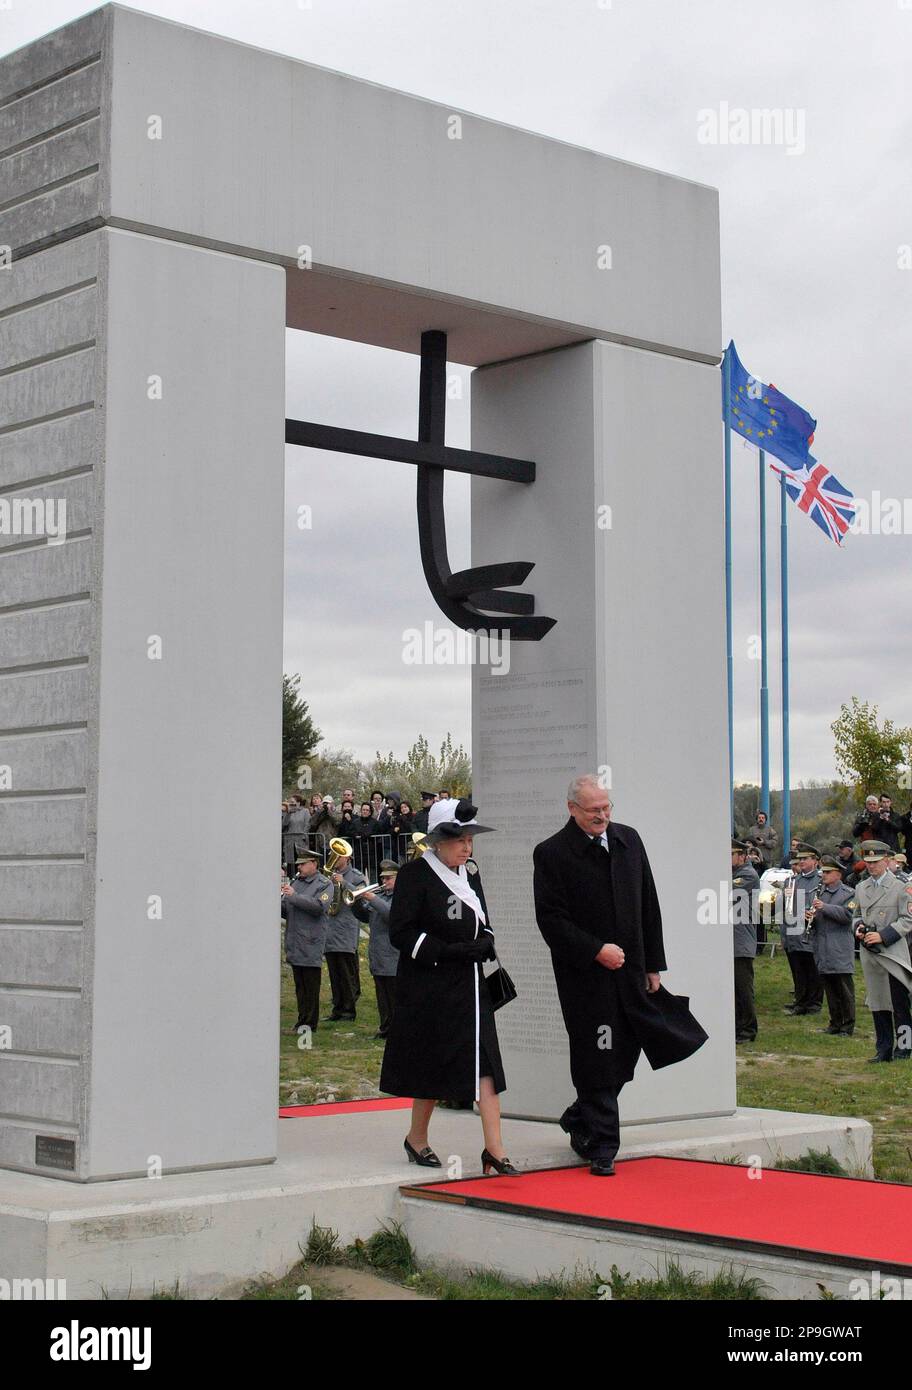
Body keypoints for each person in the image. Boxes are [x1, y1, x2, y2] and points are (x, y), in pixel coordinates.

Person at [533, 774, 707, 1178]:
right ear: (572, 809)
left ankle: (581, 1117)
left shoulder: (629, 840)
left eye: (607, 807)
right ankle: (603, 1146)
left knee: (627, 1048)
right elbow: (551, 920)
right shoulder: (552, 853)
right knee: (598, 1054)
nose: (603, 816)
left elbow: (649, 903)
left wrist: (652, 965)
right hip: (586, 978)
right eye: (594, 810)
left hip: (631, 970)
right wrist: (596, 950)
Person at [379, 798, 516, 1176]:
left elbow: (483, 917)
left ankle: (495, 1149)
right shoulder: (414, 875)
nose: (466, 845)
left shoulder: (470, 872)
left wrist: (485, 940)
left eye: (469, 838)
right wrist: (446, 951)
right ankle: (417, 1138)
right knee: (432, 1063)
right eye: (459, 838)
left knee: (487, 1065)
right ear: (437, 840)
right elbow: (402, 933)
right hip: (431, 985)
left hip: (473, 988)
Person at [851, 841, 912, 1063]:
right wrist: (858, 928)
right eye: (868, 862)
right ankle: (883, 1048)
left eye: (875, 862)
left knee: (899, 1003)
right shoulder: (861, 887)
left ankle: (904, 1047)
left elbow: (908, 919)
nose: (871, 866)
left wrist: (884, 935)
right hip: (871, 952)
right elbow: (856, 914)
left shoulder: (901, 887)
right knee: (878, 1002)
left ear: (887, 861)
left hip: (893, 951)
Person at [281, 851, 332, 1034]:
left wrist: (293, 896)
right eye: (299, 865)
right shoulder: (296, 883)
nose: (299, 868)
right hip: (295, 942)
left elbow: (319, 907)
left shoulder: (324, 884)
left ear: (314, 864)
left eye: (303, 864)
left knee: (310, 988)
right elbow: (288, 910)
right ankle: (301, 1022)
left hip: (310, 943)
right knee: (300, 988)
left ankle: (309, 1025)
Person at [807, 856, 856, 1037]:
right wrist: (810, 917)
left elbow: (848, 915)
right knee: (831, 990)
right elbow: (820, 916)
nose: (824, 875)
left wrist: (824, 907)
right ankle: (835, 1022)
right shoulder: (820, 892)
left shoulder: (849, 893)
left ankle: (847, 1025)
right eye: (823, 872)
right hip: (823, 948)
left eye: (827, 872)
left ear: (838, 874)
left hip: (840, 947)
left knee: (844, 990)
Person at [353, 860, 401, 1038]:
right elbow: (364, 917)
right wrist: (356, 902)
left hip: (393, 954)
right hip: (378, 954)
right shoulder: (380, 895)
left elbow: (392, 915)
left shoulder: (402, 896)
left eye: (389, 878)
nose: (384, 882)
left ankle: (396, 1030)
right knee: (382, 996)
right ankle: (385, 1027)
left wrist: (373, 898)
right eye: (383, 878)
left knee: (394, 997)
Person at [781, 843, 824, 1016]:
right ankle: (800, 1001)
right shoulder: (791, 881)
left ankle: (813, 1003)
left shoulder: (820, 880)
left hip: (810, 932)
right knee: (798, 969)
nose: (802, 862)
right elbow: (784, 907)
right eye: (801, 859)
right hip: (792, 931)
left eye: (806, 858)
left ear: (815, 861)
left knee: (812, 970)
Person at [323, 847, 365, 1022]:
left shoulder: (356, 876)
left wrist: (344, 883)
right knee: (334, 972)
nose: (334, 858)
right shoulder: (329, 876)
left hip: (346, 929)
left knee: (347, 973)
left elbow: (362, 895)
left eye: (338, 855)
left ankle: (348, 1011)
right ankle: (337, 1008)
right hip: (330, 929)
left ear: (347, 857)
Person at [731, 839, 759, 1043]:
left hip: (741, 940)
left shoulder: (748, 874)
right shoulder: (734, 873)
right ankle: (737, 1026)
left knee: (743, 988)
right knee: (733, 989)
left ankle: (748, 1029)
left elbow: (726, 891)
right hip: (733, 940)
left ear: (742, 856)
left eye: (731, 854)